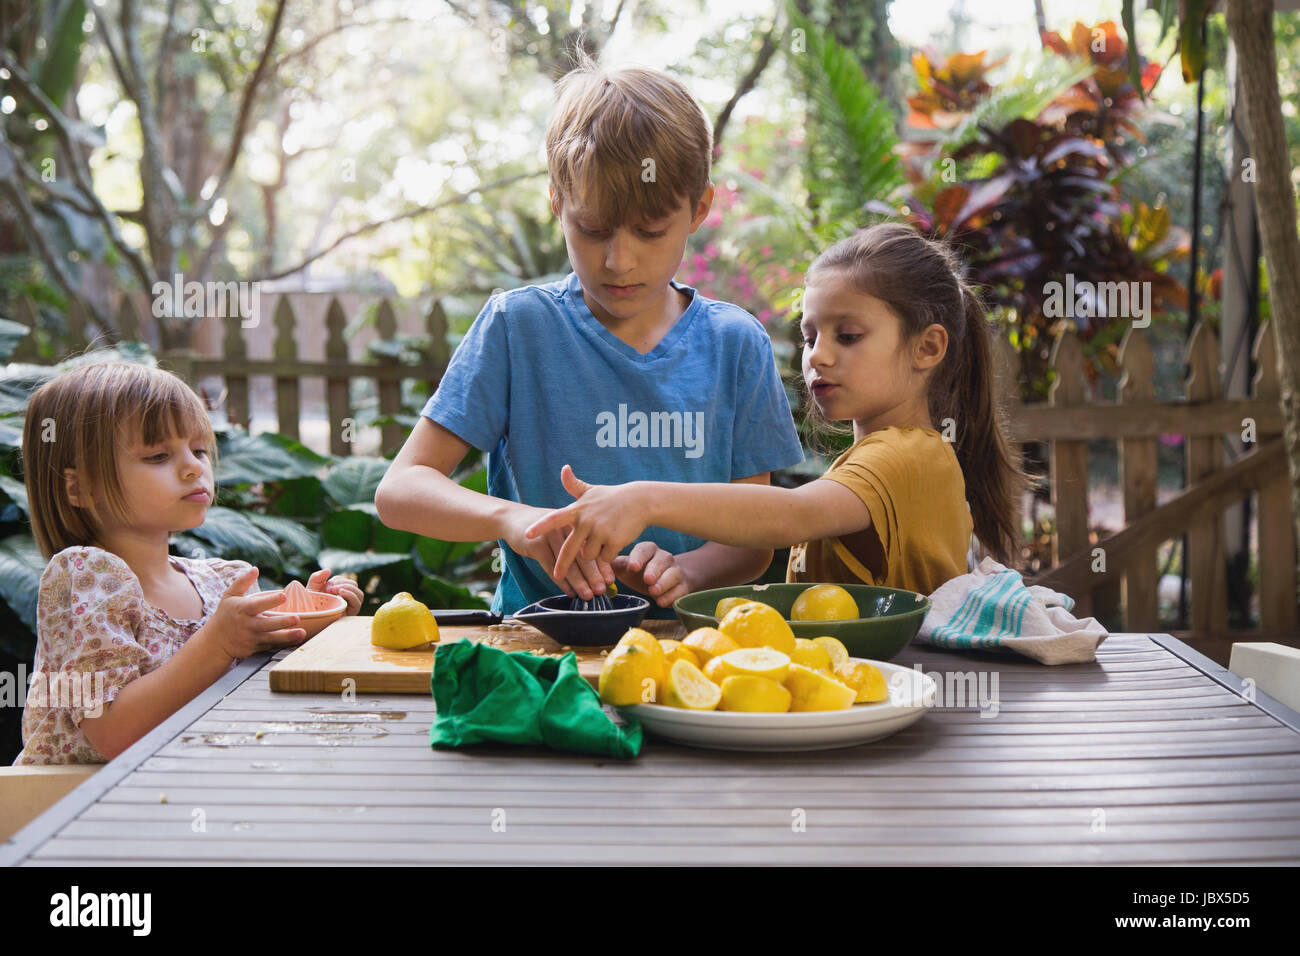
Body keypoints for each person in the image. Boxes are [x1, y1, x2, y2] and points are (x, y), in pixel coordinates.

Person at [375, 61, 804, 618]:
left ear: (699, 210)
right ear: (557, 204)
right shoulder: (517, 328)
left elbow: (755, 532)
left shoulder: (735, 343)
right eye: (593, 229)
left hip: (690, 652)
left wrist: (690, 570)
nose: (618, 261)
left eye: (650, 232)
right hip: (537, 650)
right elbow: (401, 489)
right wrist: (516, 520)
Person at [526, 222, 1031, 597]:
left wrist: (643, 500)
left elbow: (791, 515)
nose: (819, 356)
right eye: (810, 337)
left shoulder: (906, 456)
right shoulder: (879, 458)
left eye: (848, 336)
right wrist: (686, 572)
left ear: (928, 347)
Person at [15, 362, 363, 764]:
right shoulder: (84, 579)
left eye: (198, 449)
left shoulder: (220, 581)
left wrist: (311, 619)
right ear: (80, 488)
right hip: (74, 813)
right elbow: (114, 734)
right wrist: (218, 643)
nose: (195, 466)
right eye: (159, 455)